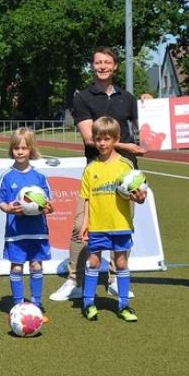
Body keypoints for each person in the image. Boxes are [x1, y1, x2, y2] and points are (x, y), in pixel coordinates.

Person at [50, 46, 146, 303]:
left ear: (115, 66)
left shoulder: (128, 97)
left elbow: (147, 126)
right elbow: (90, 138)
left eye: (107, 62)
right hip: (95, 171)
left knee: (121, 226)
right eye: (98, 62)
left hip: (125, 171)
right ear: (93, 66)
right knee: (80, 227)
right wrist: (126, 145)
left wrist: (152, 106)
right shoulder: (82, 97)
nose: (102, 66)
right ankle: (75, 280)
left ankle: (116, 279)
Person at [79, 117, 148, 321]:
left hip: (120, 224)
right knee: (93, 262)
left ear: (116, 139)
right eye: (98, 139)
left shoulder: (126, 166)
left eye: (106, 139)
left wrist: (141, 198)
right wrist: (85, 222)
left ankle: (124, 305)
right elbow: (86, 198)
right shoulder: (91, 168)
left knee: (121, 263)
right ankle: (88, 303)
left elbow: (138, 193)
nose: (102, 143)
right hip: (98, 225)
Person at [0, 128, 54, 320]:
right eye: (16, 148)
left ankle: (36, 306)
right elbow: (2, 203)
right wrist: (10, 209)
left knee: (36, 266)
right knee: (16, 268)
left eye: (24, 148)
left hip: (37, 231)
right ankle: (18, 307)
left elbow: (49, 205)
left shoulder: (39, 177)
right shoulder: (7, 176)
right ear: (11, 150)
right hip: (16, 232)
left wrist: (46, 208)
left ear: (31, 150)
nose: (19, 152)